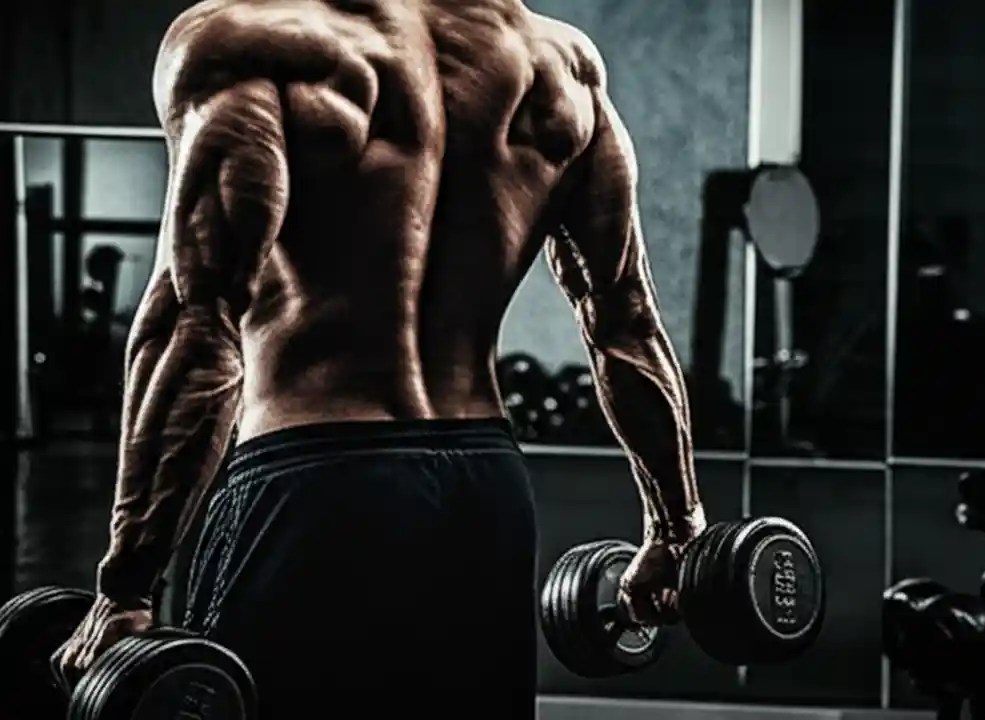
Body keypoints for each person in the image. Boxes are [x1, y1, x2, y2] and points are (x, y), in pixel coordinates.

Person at [54, 0, 706, 715]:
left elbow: (196, 323)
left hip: (314, 482)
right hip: (482, 495)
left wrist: (125, 588)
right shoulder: (560, 66)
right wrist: (678, 528)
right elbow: (624, 320)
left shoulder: (251, 41)